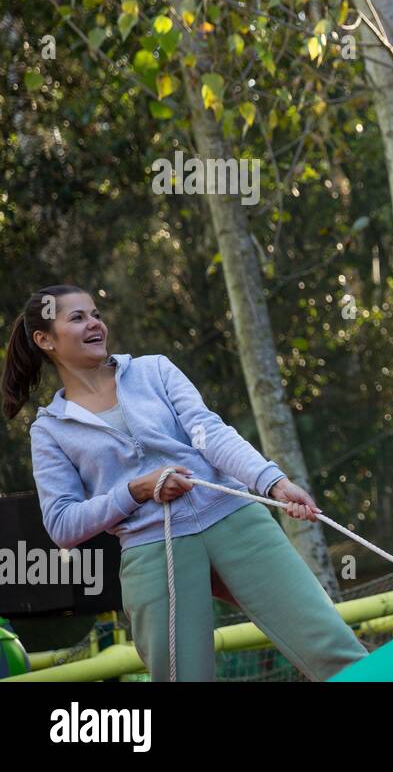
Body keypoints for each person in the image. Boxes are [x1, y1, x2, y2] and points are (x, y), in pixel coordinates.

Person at [2, 284, 369, 680]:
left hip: (237, 521)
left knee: (336, 652)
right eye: (77, 318)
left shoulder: (154, 370)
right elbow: (61, 524)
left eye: (96, 314)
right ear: (45, 340)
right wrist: (135, 491)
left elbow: (209, 432)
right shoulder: (50, 430)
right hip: (152, 553)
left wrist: (272, 482)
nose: (95, 324)